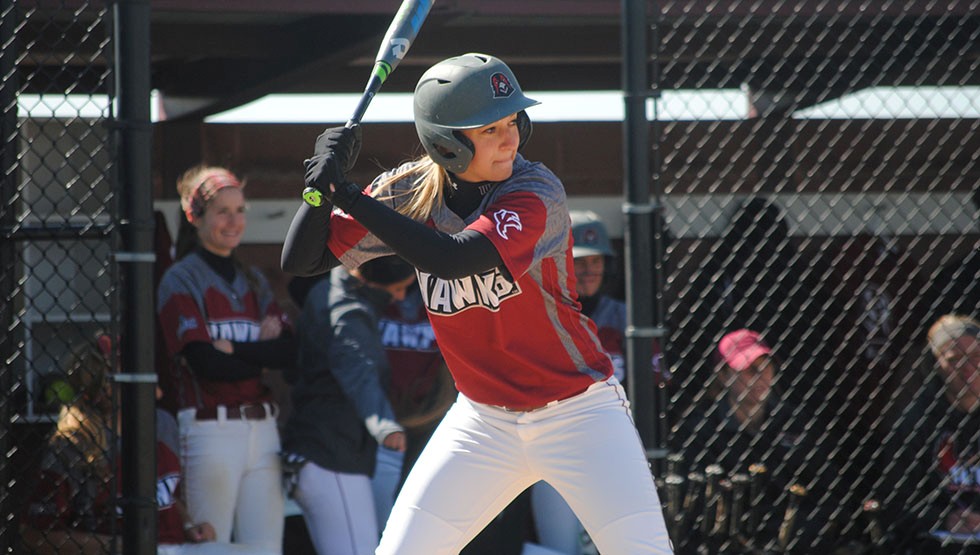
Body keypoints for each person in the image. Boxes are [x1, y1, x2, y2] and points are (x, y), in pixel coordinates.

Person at [281, 52, 672, 554]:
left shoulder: (535, 190)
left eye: (512, 121)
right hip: (484, 422)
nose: (510, 138)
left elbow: (452, 257)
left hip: (579, 414)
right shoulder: (413, 190)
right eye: (490, 129)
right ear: (446, 141)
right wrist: (319, 191)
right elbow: (302, 259)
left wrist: (351, 196)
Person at [20, 335, 275, 555]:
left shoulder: (161, 423)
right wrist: (112, 548)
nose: (149, 375)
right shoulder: (73, 444)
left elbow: (166, 493)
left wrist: (188, 525)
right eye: (130, 370)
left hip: (173, 548)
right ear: (105, 388)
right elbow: (34, 535)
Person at [157, 165, 296, 552]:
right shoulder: (181, 278)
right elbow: (206, 365)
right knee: (209, 545)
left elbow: (288, 351)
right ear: (194, 216)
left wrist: (234, 350)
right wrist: (261, 355)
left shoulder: (253, 278)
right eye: (222, 211)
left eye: (240, 210)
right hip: (209, 430)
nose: (234, 221)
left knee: (266, 548)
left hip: (263, 430)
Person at [529, 209, 667, 554]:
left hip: (612, 449)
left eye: (597, 261)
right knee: (558, 547)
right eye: (581, 261)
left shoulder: (625, 318)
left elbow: (655, 386)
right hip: (555, 448)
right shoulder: (541, 315)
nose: (590, 270)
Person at [668, 329, 845, 554]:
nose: (761, 377)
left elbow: (828, 493)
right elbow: (694, 513)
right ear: (724, 375)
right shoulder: (700, 430)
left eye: (766, 367)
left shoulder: (794, 423)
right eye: (750, 370)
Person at [281, 256, 413, 555]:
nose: (401, 296)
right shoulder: (348, 313)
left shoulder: (329, 284)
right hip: (331, 457)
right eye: (398, 287)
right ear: (370, 280)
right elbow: (358, 371)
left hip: (314, 451)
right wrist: (385, 425)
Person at [873, 314, 980, 553]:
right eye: (955, 360)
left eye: (975, 357)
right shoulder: (915, 423)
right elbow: (895, 503)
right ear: (936, 365)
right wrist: (945, 519)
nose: (968, 369)